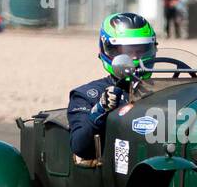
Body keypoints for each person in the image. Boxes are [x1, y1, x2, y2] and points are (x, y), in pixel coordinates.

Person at [67, 12, 158, 161]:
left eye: (142, 50)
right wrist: (99, 111)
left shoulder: (164, 90)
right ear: (109, 51)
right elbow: (80, 147)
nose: (135, 58)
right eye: (128, 51)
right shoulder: (87, 95)